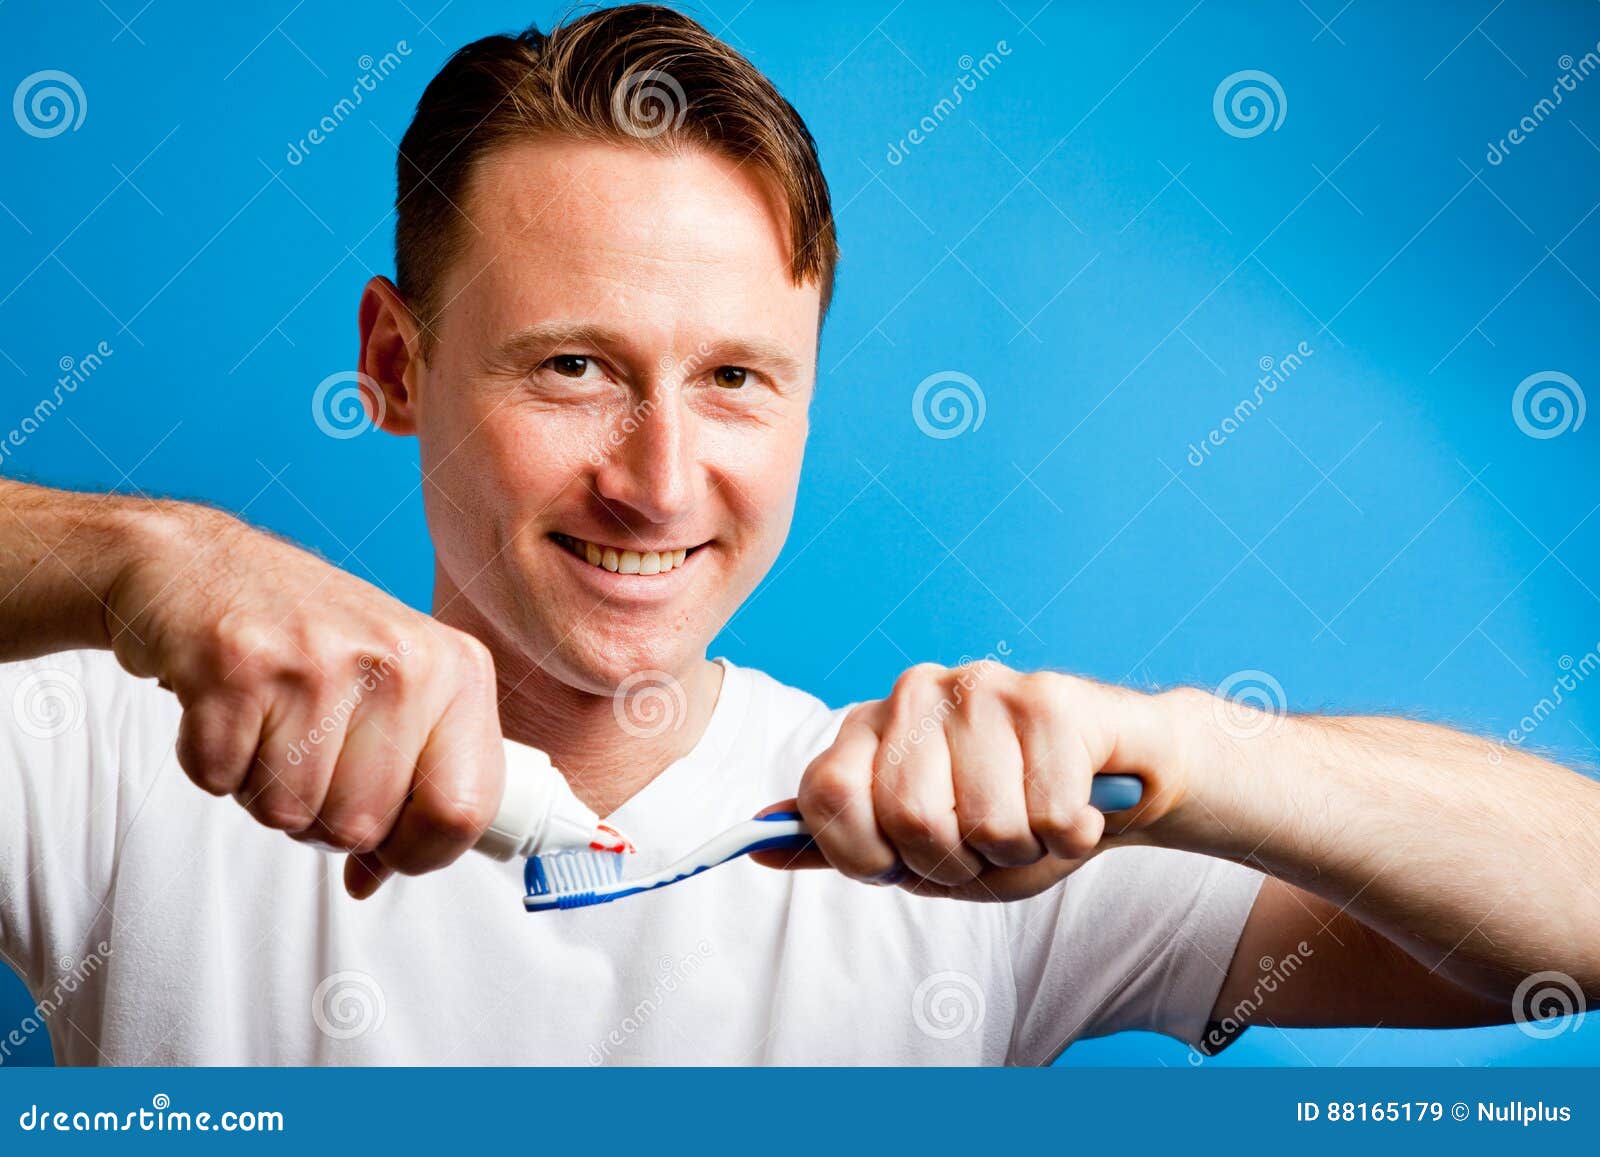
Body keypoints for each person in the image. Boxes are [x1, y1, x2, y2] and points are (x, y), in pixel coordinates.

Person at [1, 4, 1594, 1065]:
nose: (663, 477)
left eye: (738, 381)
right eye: (576, 367)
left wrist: (1174, 750)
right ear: (396, 367)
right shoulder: (113, 752)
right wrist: (144, 559)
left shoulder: (982, 839)